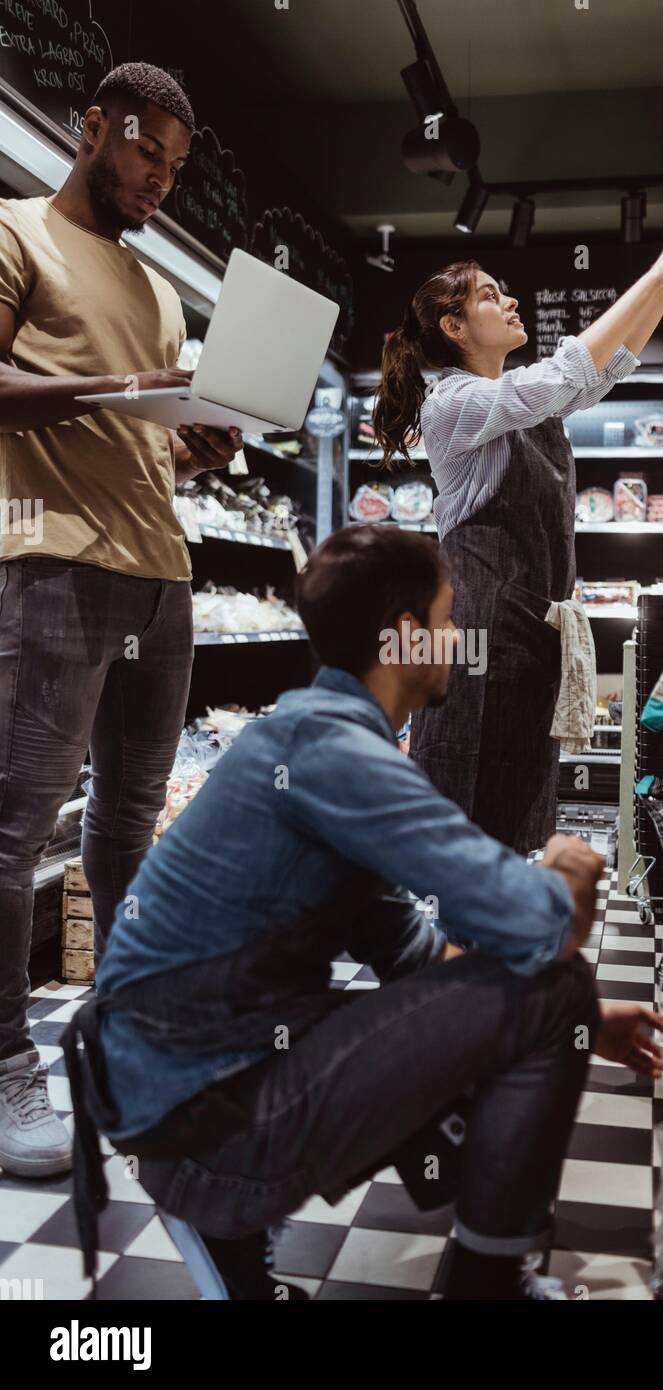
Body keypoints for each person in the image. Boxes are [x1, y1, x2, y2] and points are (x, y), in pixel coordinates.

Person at [63, 523, 663, 1301]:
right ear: (408, 636)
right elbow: (537, 924)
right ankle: (487, 1286)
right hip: (196, 1113)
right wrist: (572, 868)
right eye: (450, 621)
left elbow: (408, 947)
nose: (456, 640)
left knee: (542, 996)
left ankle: (235, 1242)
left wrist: (561, 1010)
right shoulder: (336, 751)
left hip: (173, 1086)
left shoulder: (312, 732)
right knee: (555, 990)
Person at [0, 63, 239, 1179]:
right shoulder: (15, 234)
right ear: (93, 126)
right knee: (12, 832)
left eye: (177, 169)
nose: (159, 179)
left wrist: (190, 433)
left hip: (161, 570)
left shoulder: (158, 291)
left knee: (130, 823)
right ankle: (7, 1066)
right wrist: (125, 389)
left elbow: (137, 430)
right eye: (147, 152)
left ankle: (128, 1036)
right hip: (48, 560)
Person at [372, 226, 663, 855]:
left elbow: (603, 371)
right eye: (492, 296)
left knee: (520, 798)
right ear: (453, 326)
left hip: (530, 631)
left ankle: (503, 934)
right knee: (468, 785)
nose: (511, 302)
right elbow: (564, 371)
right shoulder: (452, 404)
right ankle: (457, 940)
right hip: (478, 633)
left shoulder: (523, 406)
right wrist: (656, 275)